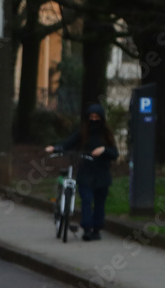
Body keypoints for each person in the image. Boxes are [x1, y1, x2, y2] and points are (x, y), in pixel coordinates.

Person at [45, 103, 119, 241]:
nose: (94, 120)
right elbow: (68, 143)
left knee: (99, 204)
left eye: (97, 117)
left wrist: (103, 150)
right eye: (91, 117)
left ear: (102, 118)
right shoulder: (83, 133)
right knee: (86, 200)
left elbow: (114, 153)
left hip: (102, 174)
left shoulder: (106, 135)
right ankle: (87, 227)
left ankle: (96, 229)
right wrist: (55, 148)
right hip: (86, 172)